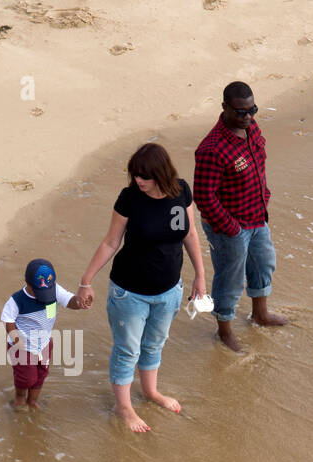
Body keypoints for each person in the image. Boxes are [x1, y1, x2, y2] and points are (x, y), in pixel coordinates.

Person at [78, 143, 207, 433]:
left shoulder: (182, 190)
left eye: (144, 176)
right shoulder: (129, 198)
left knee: (154, 345)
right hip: (129, 293)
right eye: (135, 175)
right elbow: (111, 242)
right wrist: (86, 281)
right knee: (127, 351)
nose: (138, 181)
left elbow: (190, 234)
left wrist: (200, 275)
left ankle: (151, 392)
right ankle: (123, 408)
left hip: (169, 291)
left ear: (160, 174)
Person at [194, 80, 288, 352]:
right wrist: (231, 228)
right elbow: (204, 197)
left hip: (257, 216)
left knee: (264, 263)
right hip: (230, 226)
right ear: (224, 108)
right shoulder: (212, 149)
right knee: (230, 278)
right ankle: (224, 330)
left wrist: (265, 196)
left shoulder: (251, 127)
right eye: (241, 112)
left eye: (252, 110)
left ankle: (260, 314)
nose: (248, 117)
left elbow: (260, 159)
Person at [1, 258, 86, 410]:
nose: (45, 295)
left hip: (45, 343)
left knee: (41, 375)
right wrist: (15, 339)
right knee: (26, 378)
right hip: (23, 347)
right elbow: (8, 319)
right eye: (40, 291)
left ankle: (33, 401)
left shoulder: (54, 290)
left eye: (48, 290)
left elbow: (69, 300)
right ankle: (19, 399)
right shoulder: (17, 300)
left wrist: (79, 302)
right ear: (28, 285)